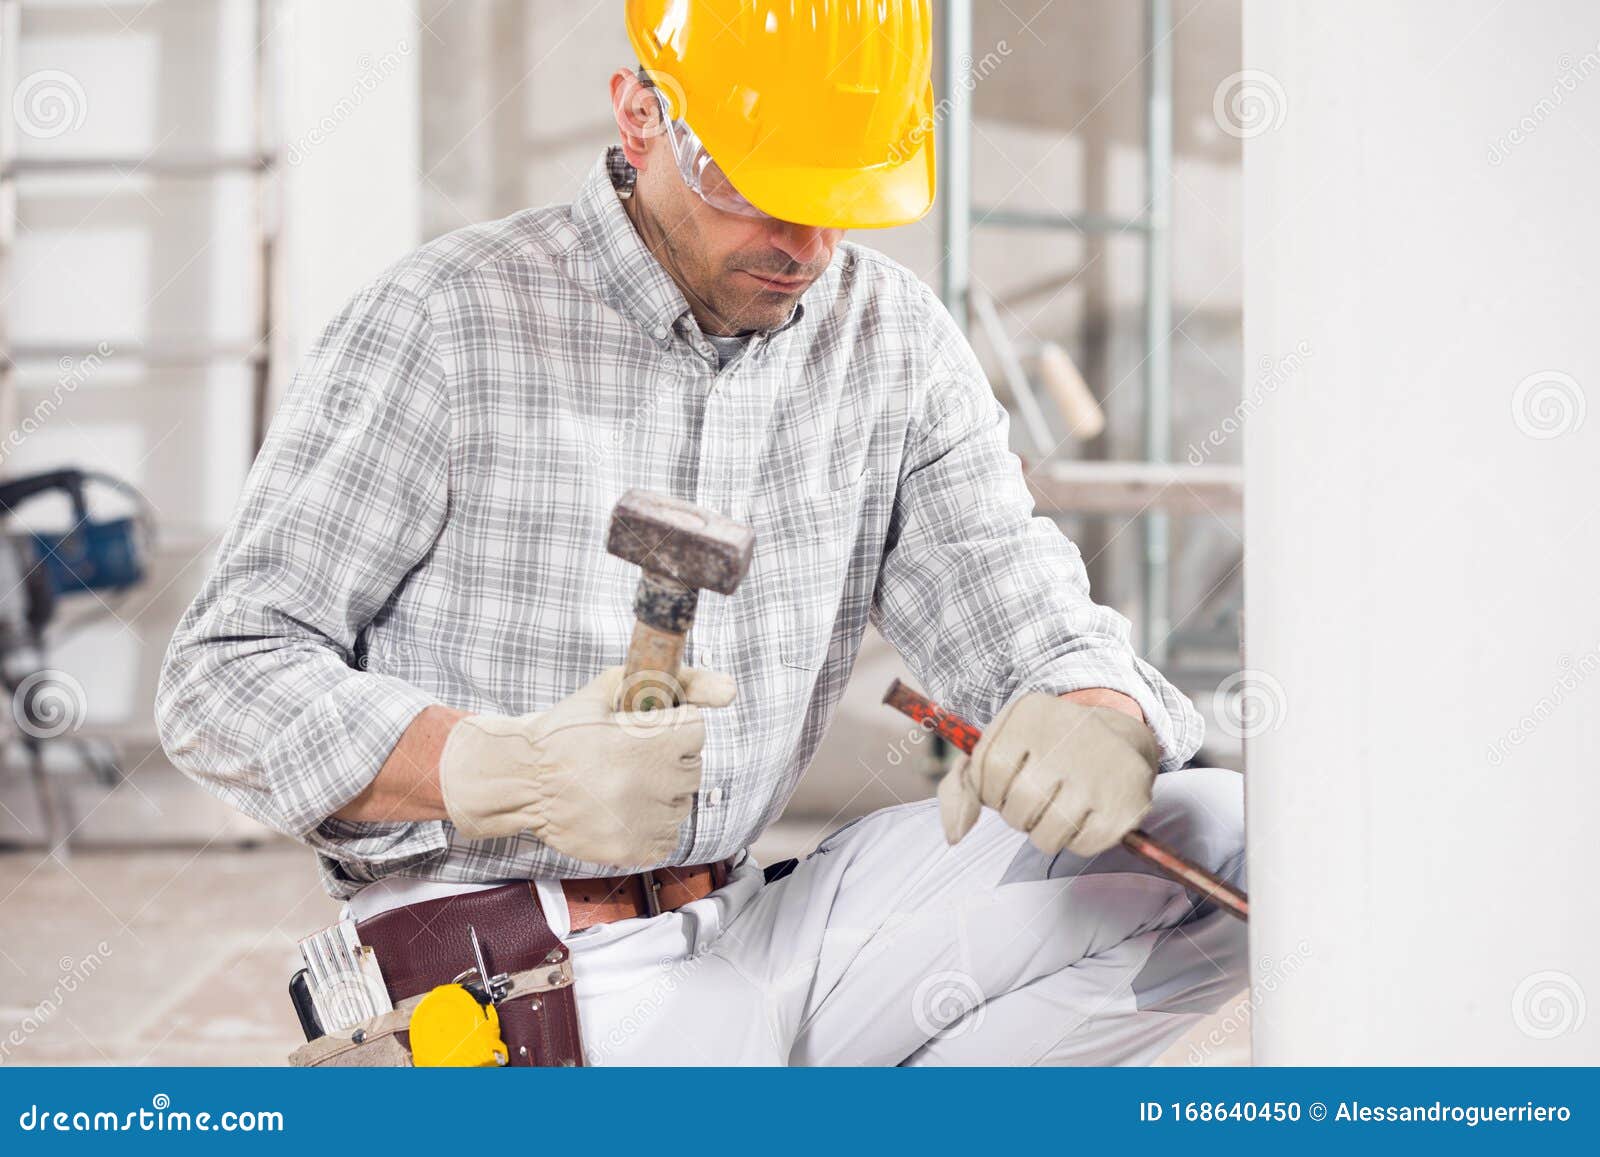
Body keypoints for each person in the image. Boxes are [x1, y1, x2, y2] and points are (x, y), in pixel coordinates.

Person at [156, 0, 1245, 1065]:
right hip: (516, 970)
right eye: (759, 187)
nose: (805, 244)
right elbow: (221, 678)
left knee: (1222, 845)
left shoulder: (890, 338)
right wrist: (497, 766)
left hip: (752, 924)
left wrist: (1096, 713)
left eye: (842, 195)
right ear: (641, 117)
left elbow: (1007, 591)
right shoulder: (445, 320)